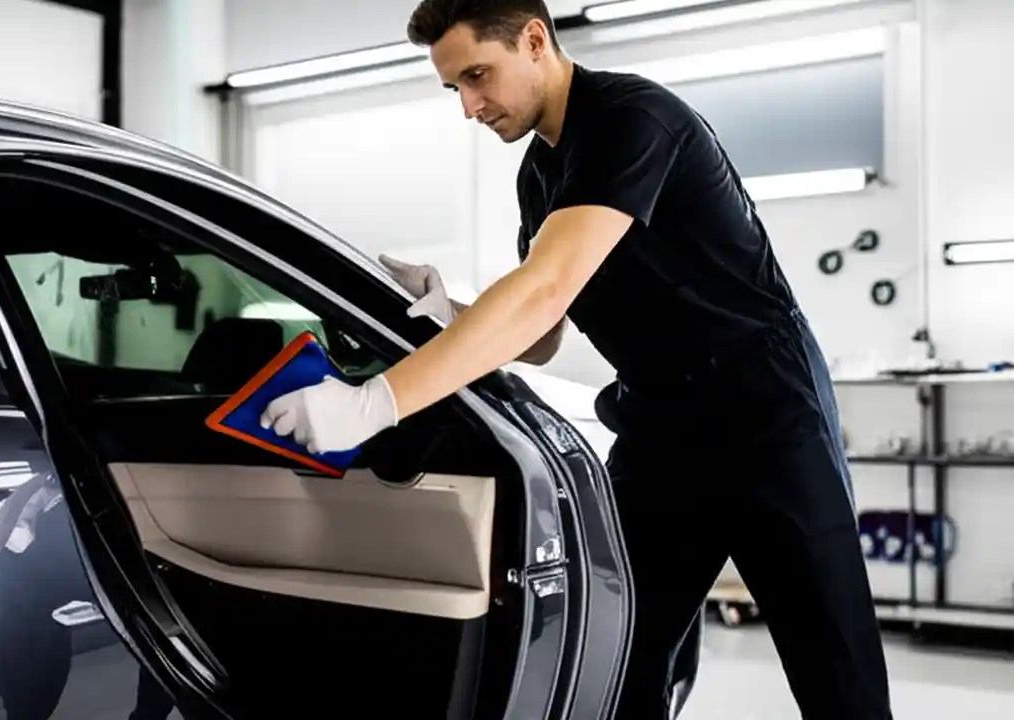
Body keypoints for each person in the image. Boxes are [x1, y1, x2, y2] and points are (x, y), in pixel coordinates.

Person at [259, 1, 893, 718]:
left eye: (477, 76)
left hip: (767, 413)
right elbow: (545, 334)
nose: (469, 106)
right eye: (454, 89)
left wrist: (375, 403)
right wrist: (449, 310)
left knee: (833, 666)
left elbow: (543, 289)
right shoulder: (540, 176)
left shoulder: (632, 119)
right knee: (622, 652)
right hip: (661, 426)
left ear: (535, 40)